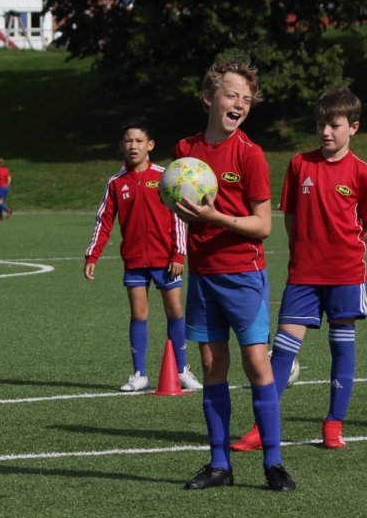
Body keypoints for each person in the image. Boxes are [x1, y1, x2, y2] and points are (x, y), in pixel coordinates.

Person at [171, 59, 292, 492]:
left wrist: (215, 216)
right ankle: (219, 464)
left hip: (244, 273)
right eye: (231, 94)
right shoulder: (185, 152)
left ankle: (273, 462)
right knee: (210, 364)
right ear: (209, 98)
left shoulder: (250, 154)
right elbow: (179, 210)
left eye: (246, 98)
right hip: (204, 276)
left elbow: (263, 225)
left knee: (257, 363)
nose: (239, 103)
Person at [229, 88, 367, 453]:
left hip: (346, 275)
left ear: (353, 127)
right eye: (320, 124)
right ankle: (263, 427)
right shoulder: (299, 165)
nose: (325, 132)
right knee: (284, 349)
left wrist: (347, 255)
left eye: (334, 125)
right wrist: (305, 252)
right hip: (304, 275)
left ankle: (333, 424)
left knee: (342, 348)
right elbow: (290, 217)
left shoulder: (361, 172)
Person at [84, 118, 199, 392]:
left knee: (175, 311)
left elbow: (179, 217)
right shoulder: (116, 182)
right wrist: (92, 256)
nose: (133, 146)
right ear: (121, 146)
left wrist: (179, 254)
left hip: (166, 261)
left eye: (138, 141)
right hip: (135, 262)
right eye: (128, 141)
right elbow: (104, 221)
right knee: (139, 314)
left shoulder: (165, 177)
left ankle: (181, 369)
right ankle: (140, 374)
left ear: (150, 145)